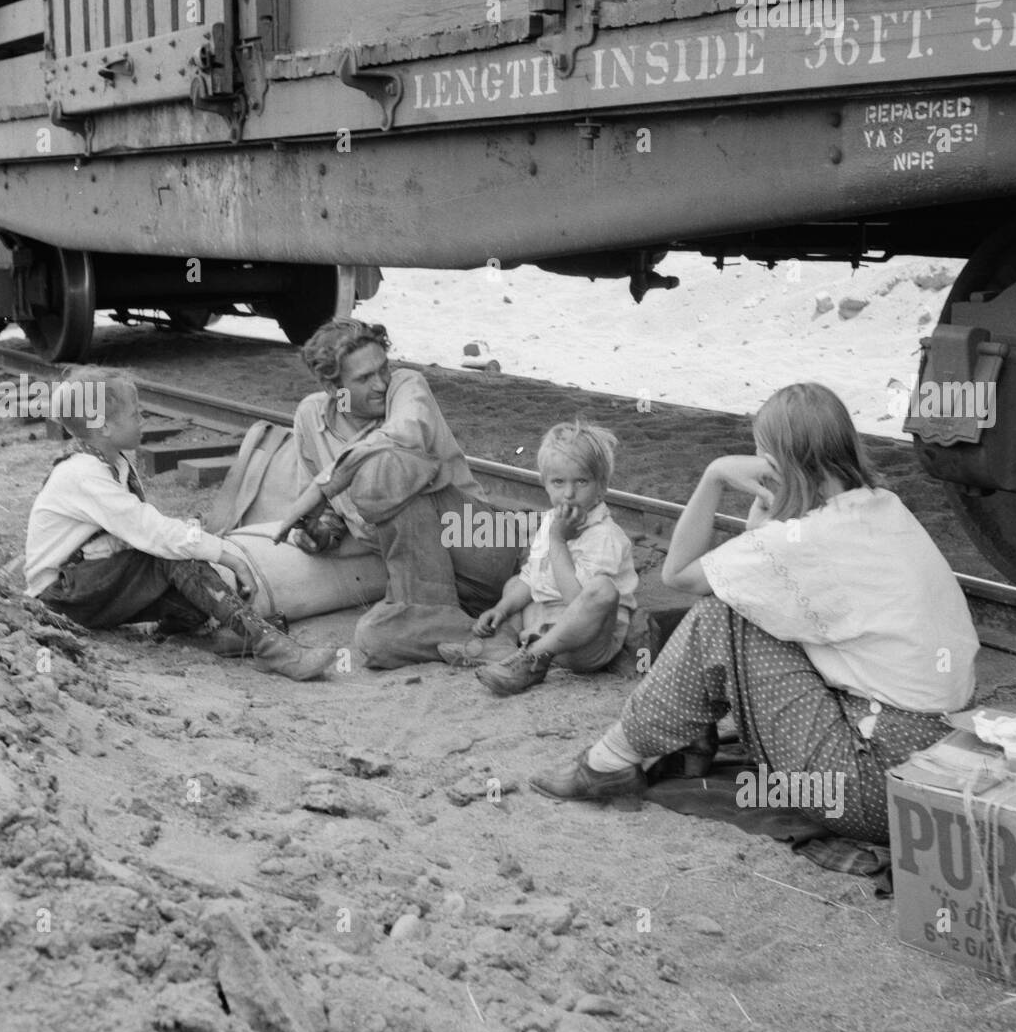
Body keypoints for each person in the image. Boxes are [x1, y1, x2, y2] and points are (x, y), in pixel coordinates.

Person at [529, 382, 979, 845]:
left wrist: (715, 475)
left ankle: (608, 763)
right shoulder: (882, 505)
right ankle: (675, 740)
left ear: (781, 463)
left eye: (762, 456)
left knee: (718, 617)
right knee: (744, 603)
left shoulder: (806, 540)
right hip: (936, 759)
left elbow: (679, 573)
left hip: (874, 785)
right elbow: (758, 561)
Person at [23, 367, 334, 681]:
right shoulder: (83, 473)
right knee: (174, 557)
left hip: (87, 583)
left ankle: (203, 634)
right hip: (59, 597)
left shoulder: (110, 459)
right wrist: (228, 556)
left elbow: (132, 534)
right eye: (135, 413)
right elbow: (151, 531)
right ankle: (271, 647)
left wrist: (193, 540)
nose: (142, 419)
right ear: (104, 427)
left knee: (194, 595)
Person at [270, 318, 522, 668]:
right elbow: (330, 516)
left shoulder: (406, 385)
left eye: (382, 368)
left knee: (383, 470)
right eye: (363, 378)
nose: (380, 384)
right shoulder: (310, 417)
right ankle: (477, 637)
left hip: (480, 544)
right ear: (333, 388)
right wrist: (320, 531)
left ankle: (435, 619)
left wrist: (324, 485)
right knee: (372, 640)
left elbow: (403, 437)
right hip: (419, 576)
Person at [439, 419, 638, 695]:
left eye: (581, 481)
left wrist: (559, 540)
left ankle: (531, 659)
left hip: (583, 645)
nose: (568, 493)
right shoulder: (549, 522)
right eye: (558, 482)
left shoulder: (605, 536)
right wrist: (502, 608)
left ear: (601, 487)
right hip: (542, 624)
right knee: (515, 585)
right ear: (544, 484)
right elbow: (532, 578)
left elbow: (575, 601)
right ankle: (506, 649)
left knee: (602, 590)